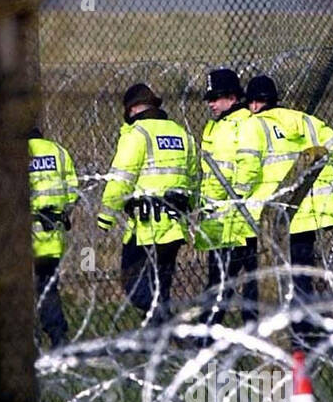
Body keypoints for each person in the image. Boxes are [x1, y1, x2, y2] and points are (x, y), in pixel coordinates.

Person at [235, 74, 333, 347]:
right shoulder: (305, 120)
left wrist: (237, 194)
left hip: (277, 217)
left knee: (272, 279)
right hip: (311, 212)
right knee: (302, 277)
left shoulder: (255, 126)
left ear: (252, 103)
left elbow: (249, 169)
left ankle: (281, 335)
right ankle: (306, 332)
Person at [100, 83, 197, 326]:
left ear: (131, 109)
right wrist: (189, 206)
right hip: (174, 226)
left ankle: (167, 326)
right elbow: (194, 178)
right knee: (160, 287)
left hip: (146, 228)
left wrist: (106, 216)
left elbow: (121, 179)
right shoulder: (181, 133)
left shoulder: (137, 134)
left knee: (133, 284)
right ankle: (160, 345)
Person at [195, 67, 258, 330]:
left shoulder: (246, 123)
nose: (210, 103)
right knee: (219, 280)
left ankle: (213, 333)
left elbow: (248, 165)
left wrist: (238, 199)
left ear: (232, 97)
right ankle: (209, 333)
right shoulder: (214, 127)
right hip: (216, 219)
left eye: (215, 97)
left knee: (247, 281)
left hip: (240, 217)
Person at [28, 129, 78, 348]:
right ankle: (58, 337)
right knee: (47, 287)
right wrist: (62, 212)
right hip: (51, 236)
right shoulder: (58, 151)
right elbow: (73, 191)